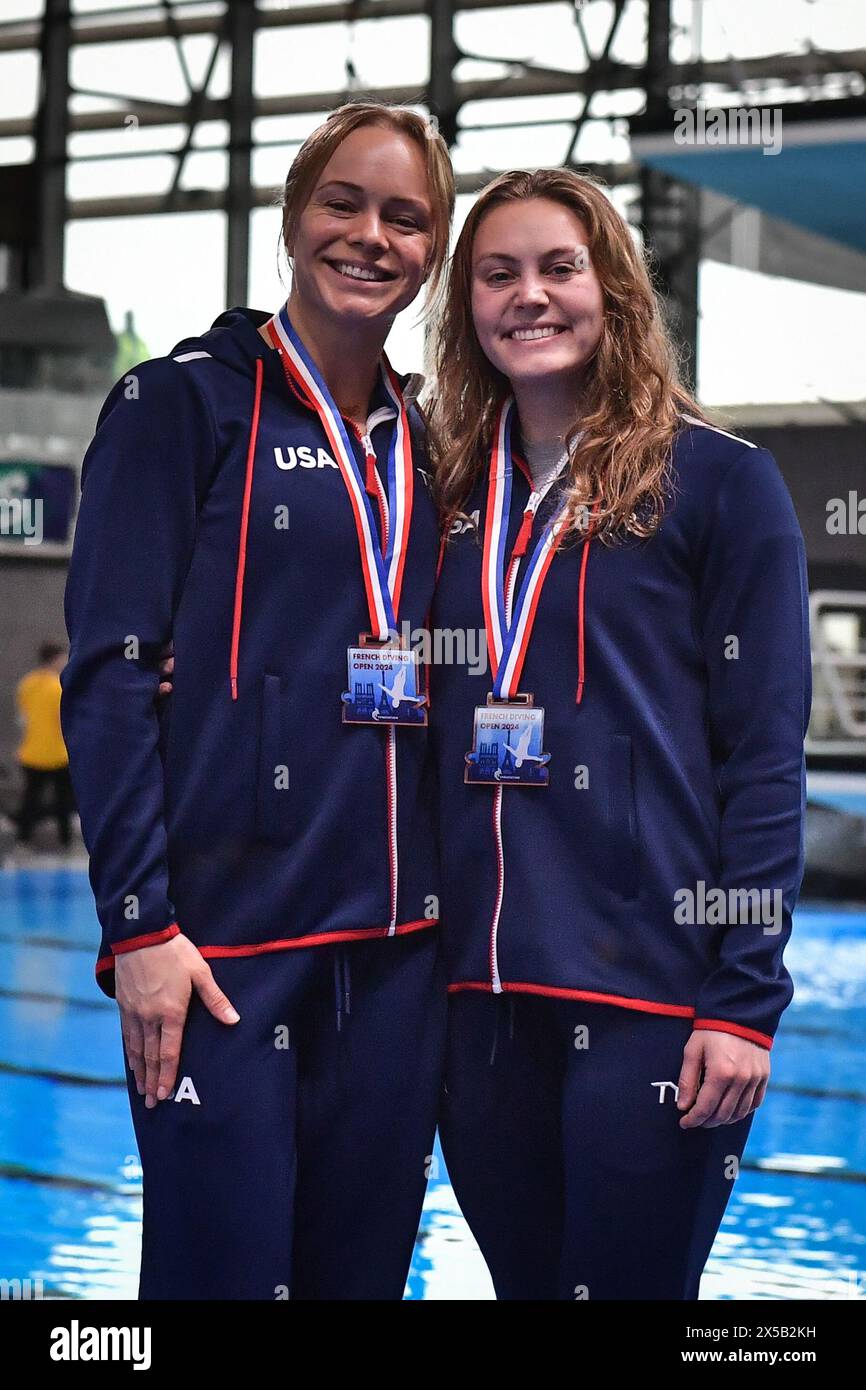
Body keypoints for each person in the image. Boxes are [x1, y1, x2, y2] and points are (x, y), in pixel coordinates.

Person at [60, 102, 455, 1300]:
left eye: (406, 216)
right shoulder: (180, 404)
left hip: (395, 960)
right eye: (343, 202)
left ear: (431, 250)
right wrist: (138, 928)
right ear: (292, 219)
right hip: (223, 957)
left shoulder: (432, 444)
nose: (370, 235)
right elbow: (111, 676)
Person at [427, 168, 811, 1300]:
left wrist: (741, 1001)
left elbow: (762, 760)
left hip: (651, 1000)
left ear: (615, 292)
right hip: (480, 1003)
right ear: (467, 307)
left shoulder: (721, 483)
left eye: (559, 268)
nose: (528, 297)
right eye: (497, 274)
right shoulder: (445, 494)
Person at [14, 641, 74, 849]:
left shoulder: (26, 684)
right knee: (64, 802)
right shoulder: (58, 687)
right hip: (57, 754)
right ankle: (65, 841)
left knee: (30, 799)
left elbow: (22, 718)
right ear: (55, 659)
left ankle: (22, 839)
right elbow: (63, 721)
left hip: (31, 753)